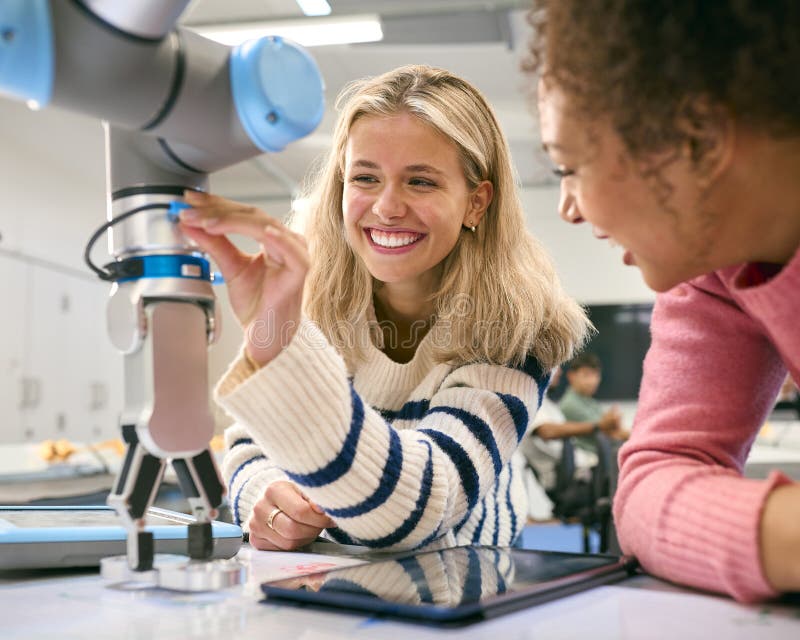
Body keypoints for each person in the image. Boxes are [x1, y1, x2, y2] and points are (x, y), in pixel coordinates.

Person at [178, 65, 590, 552]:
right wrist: (267, 499)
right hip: (334, 586)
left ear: (476, 203)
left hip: (467, 588)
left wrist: (283, 341)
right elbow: (251, 442)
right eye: (366, 178)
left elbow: (412, 510)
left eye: (421, 182)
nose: (387, 207)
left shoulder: (516, 329)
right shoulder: (311, 296)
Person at [527, 0, 800, 601]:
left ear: (698, 139)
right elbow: (647, 490)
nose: (568, 209)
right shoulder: (713, 269)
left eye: (570, 167)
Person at [557, 353, 627, 453]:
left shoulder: (591, 402)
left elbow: (612, 430)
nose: (593, 381)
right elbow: (609, 431)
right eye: (587, 375)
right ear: (571, 376)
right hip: (592, 462)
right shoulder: (570, 405)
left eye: (596, 375)